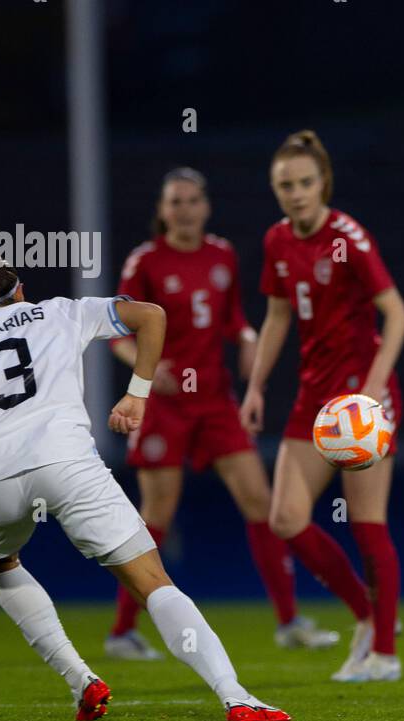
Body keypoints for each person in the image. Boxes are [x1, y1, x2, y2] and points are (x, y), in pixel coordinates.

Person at [0, 249, 290, 721]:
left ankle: (81, 678)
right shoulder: (60, 311)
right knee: (152, 582)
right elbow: (151, 316)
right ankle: (236, 696)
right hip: (67, 463)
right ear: (20, 291)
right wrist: (136, 395)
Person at [105, 167, 337, 660]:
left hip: (215, 402)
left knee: (262, 503)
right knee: (156, 517)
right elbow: (119, 333)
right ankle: (123, 631)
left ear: (205, 207)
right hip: (164, 406)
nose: (184, 209)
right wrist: (145, 366)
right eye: (175, 201)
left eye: (192, 200)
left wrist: (249, 338)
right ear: (163, 210)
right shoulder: (145, 261)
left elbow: (233, 317)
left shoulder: (222, 254)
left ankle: (290, 621)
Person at [241, 130, 404, 682]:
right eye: (285, 185)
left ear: (324, 183)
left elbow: (397, 314)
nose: (296, 193)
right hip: (314, 398)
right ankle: (365, 616)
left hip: (361, 397)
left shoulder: (349, 237)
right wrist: (257, 387)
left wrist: (375, 389)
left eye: (305, 182)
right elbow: (278, 318)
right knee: (285, 518)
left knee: (367, 523)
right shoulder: (277, 241)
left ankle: (385, 654)